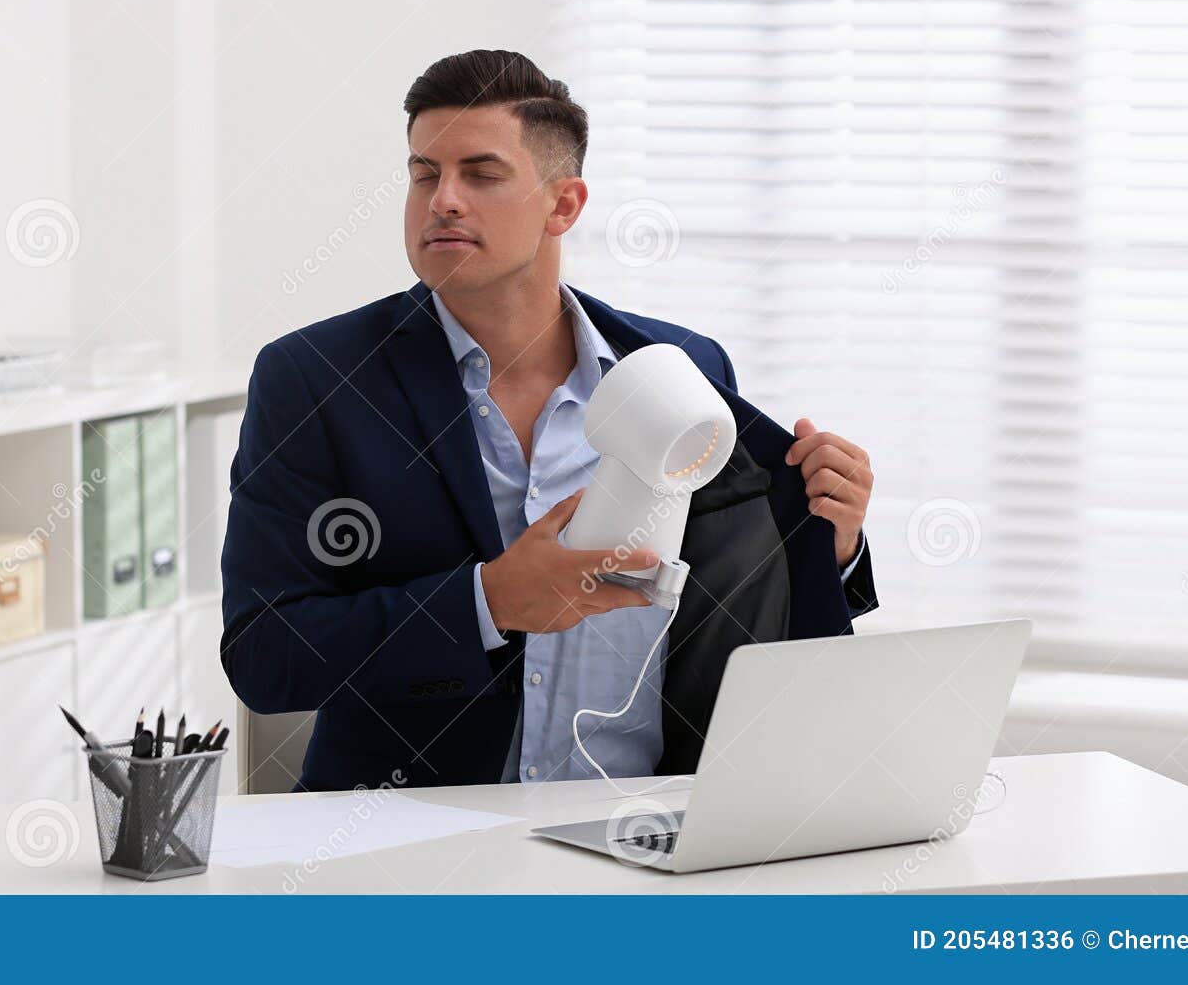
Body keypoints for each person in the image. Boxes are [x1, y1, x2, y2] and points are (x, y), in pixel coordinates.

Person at [220, 49, 877, 791]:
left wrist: (834, 543)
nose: (443, 200)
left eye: (481, 174)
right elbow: (264, 654)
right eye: (425, 174)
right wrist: (490, 601)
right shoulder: (316, 378)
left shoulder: (685, 366)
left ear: (563, 205)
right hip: (408, 833)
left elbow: (748, 600)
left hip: (641, 824)